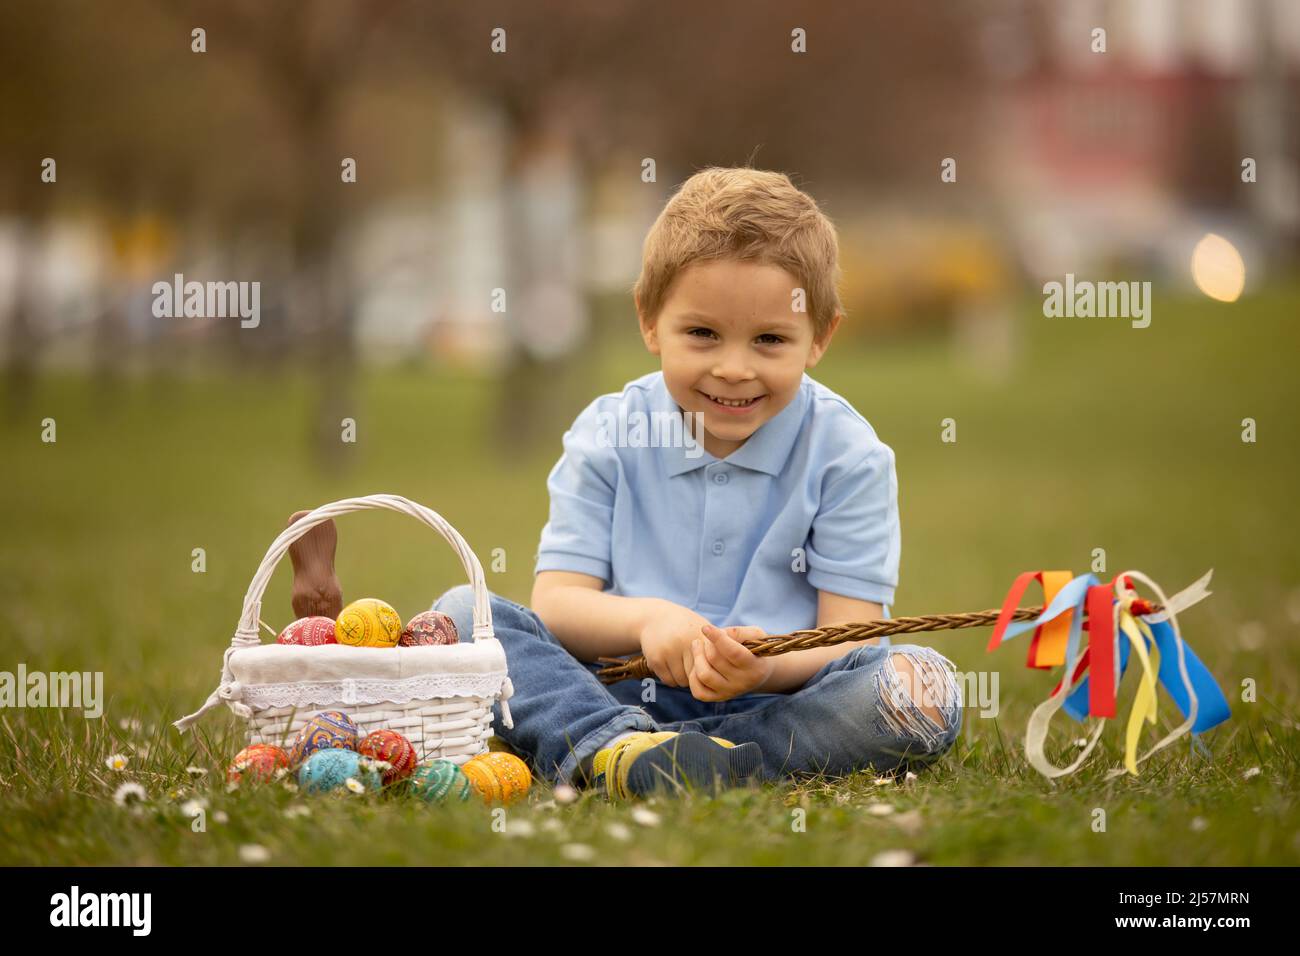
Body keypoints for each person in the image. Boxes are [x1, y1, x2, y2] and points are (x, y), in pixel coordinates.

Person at [291, 166, 963, 800]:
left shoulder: (848, 454)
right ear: (648, 320)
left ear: (819, 337)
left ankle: (682, 758)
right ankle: (624, 745)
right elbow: (558, 604)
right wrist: (649, 622)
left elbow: (850, 635)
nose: (734, 368)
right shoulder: (610, 432)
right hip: (618, 686)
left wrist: (767, 666)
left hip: (785, 697)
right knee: (466, 618)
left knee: (925, 690)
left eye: (769, 341)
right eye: (702, 333)